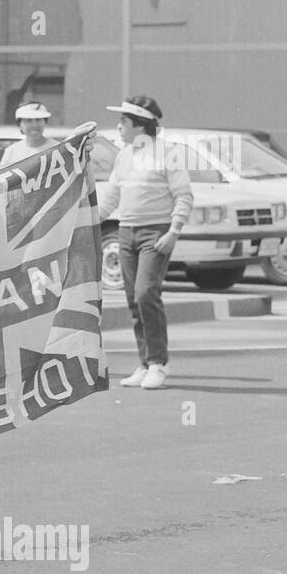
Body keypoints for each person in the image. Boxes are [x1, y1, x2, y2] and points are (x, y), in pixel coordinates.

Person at [98, 95, 192, 391]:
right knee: (132, 300)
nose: (119, 127)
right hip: (126, 232)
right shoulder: (123, 155)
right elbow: (112, 195)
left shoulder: (169, 154)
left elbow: (184, 196)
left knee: (145, 294)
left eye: (124, 121)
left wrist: (173, 231)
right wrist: (90, 222)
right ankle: (144, 363)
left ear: (140, 125)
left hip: (156, 233)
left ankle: (158, 364)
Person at [0, 101, 53, 166]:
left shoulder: (58, 150)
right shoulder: (11, 152)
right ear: (20, 125)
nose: (34, 125)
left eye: (38, 120)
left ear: (45, 122)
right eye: (28, 120)